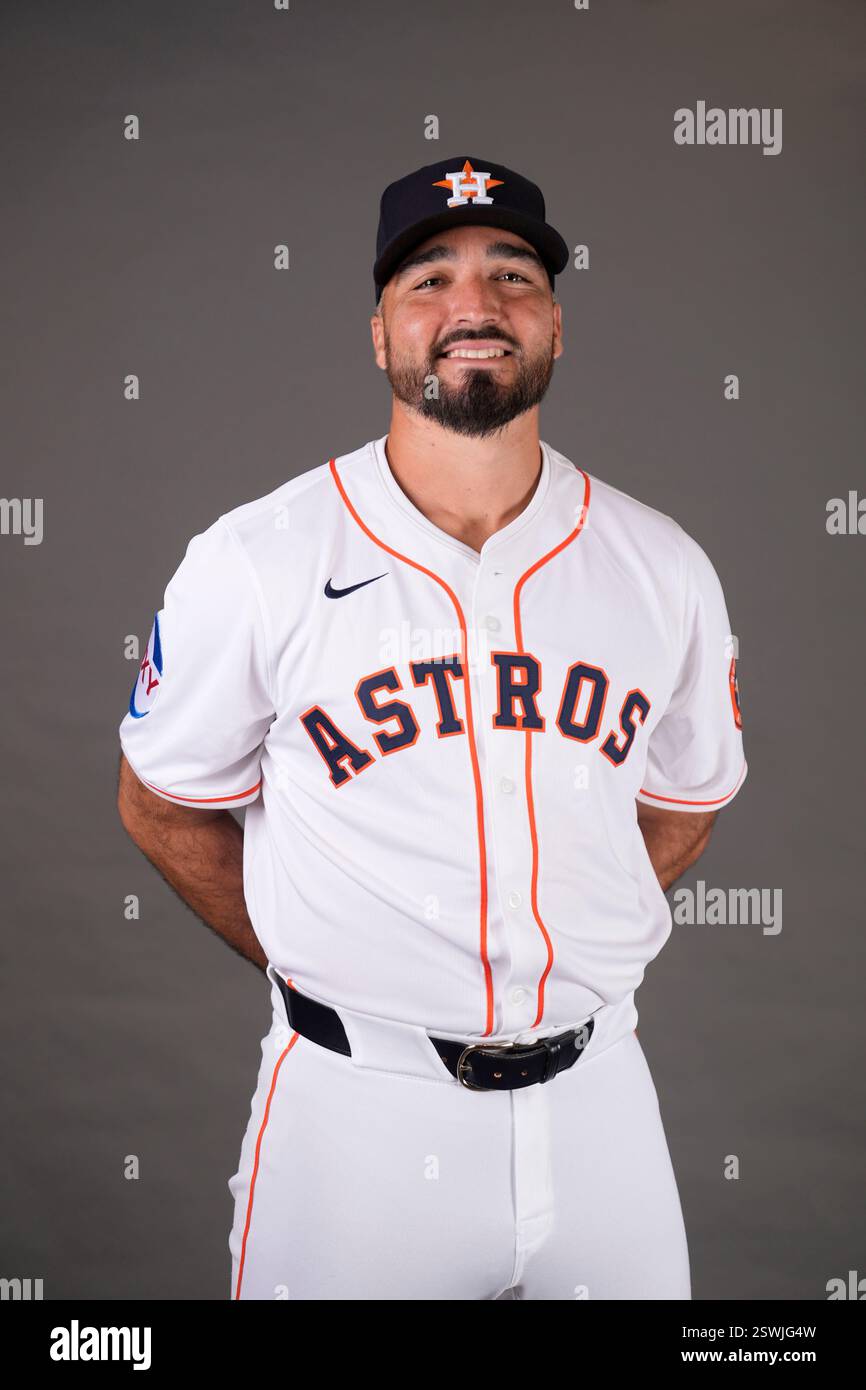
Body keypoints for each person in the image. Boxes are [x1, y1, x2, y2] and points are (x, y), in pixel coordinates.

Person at [117, 155, 747, 1300]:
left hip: (600, 1105)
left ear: (554, 323)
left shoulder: (661, 566)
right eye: (428, 279)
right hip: (358, 1113)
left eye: (512, 274)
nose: (474, 305)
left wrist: (575, 922)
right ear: (378, 335)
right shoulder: (257, 559)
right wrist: (333, 952)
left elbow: (683, 804)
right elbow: (160, 803)